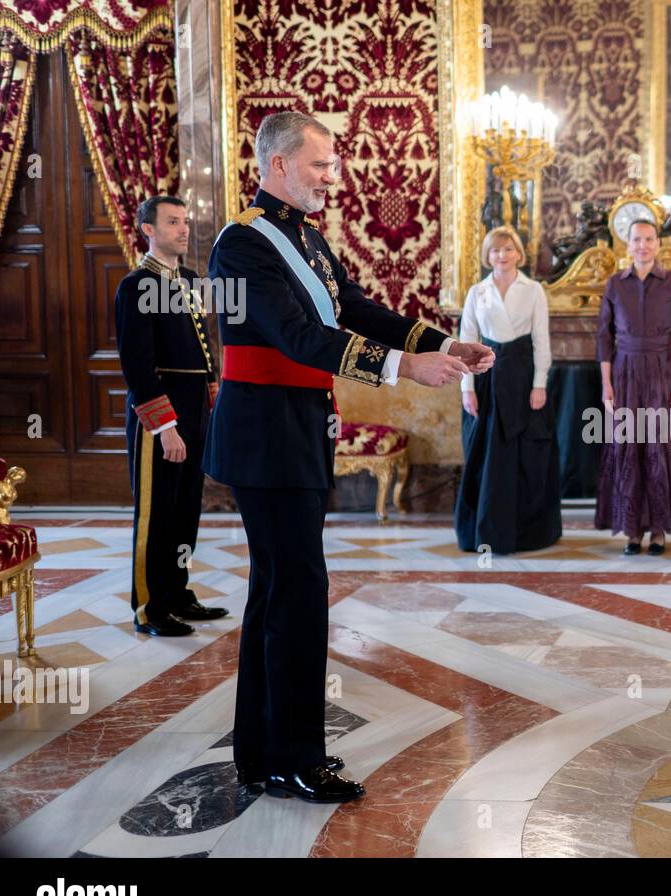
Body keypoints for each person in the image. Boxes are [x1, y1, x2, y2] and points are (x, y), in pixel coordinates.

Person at [204, 111, 494, 804]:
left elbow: (355, 307)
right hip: (264, 433)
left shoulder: (305, 237)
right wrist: (405, 370)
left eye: (333, 164)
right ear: (277, 166)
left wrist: (440, 345)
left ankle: (266, 751)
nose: (333, 177)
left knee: (284, 589)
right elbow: (300, 338)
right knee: (295, 591)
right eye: (320, 165)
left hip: (300, 425)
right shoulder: (241, 246)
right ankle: (291, 757)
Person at [113, 195, 230, 638]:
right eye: (173, 222)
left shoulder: (187, 279)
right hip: (159, 417)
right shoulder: (136, 285)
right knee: (157, 513)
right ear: (148, 229)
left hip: (195, 409)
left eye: (185, 221)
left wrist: (212, 391)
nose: (183, 229)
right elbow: (137, 367)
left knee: (186, 510)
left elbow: (203, 345)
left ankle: (179, 593)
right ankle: (149, 607)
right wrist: (165, 426)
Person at [595, 217, 671, 554]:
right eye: (636, 240)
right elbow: (603, 337)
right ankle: (632, 529)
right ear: (627, 245)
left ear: (658, 244)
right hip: (625, 372)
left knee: (659, 448)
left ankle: (658, 529)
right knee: (630, 446)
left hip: (663, 370)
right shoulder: (615, 284)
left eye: (648, 239)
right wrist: (606, 384)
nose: (642, 245)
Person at [456, 226, 561, 553]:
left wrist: (539, 383)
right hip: (486, 378)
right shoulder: (477, 292)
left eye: (507, 249)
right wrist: (466, 388)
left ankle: (526, 533)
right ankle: (486, 530)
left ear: (519, 253)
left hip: (523, 378)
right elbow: (465, 342)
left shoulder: (533, 290)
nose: (501, 256)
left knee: (527, 454)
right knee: (487, 456)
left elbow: (541, 339)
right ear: (488, 256)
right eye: (495, 251)